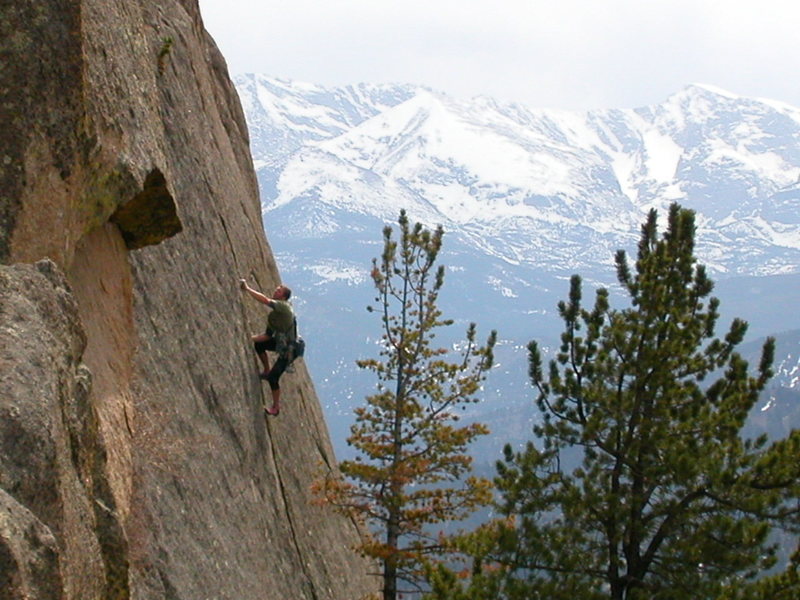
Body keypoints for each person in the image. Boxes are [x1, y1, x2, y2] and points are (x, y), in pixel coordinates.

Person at [240, 279, 294, 416]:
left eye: (279, 290)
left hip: (289, 350)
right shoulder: (276, 315)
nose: (276, 290)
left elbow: (264, 300)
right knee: (259, 345)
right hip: (282, 343)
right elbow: (267, 336)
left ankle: (276, 408)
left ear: (283, 297)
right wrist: (249, 338)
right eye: (277, 288)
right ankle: (266, 370)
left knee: (273, 378)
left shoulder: (283, 307)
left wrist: (246, 288)